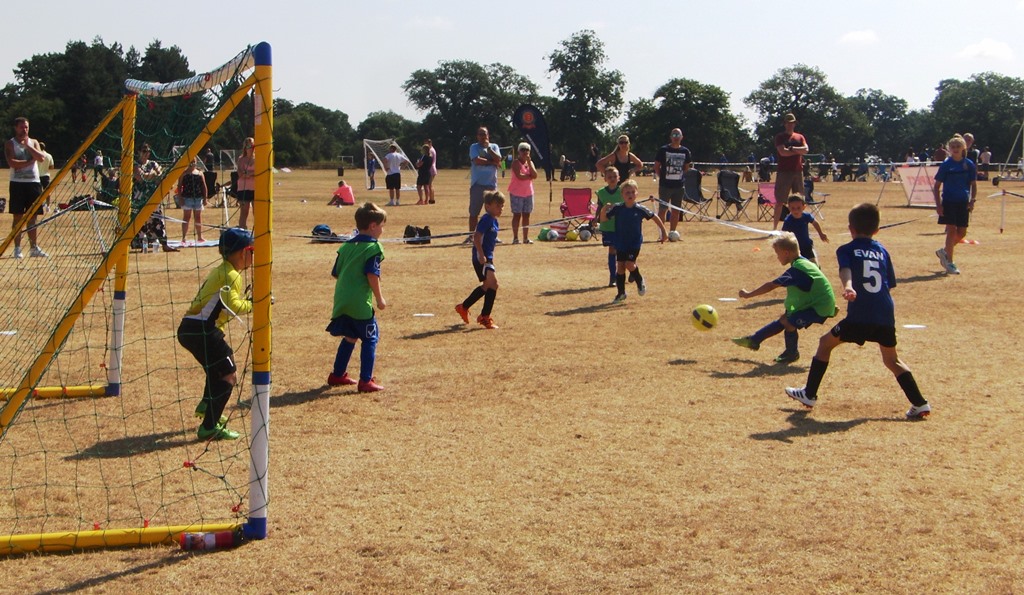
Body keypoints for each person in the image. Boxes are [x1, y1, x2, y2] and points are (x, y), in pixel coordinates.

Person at [785, 203, 931, 419]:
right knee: (892, 360)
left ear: (850, 228)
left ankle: (809, 393)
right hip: (885, 313)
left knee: (825, 344)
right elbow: (888, 284)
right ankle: (920, 404)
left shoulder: (846, 250)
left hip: (861, 314)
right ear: (877, 230)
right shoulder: (882, 251)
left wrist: (849, 286)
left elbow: (846, 270)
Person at [177, 227, 254, 440]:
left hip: (189, 328)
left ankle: (206, 407)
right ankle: (209, 427)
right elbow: (234, 306)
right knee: (229, 374)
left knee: (216, 369)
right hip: (203, 330)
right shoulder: (232, 275)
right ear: (242, 252)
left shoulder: (221, 270)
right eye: (253, 251)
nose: (253, 257)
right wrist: (253, 304)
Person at [731, 232, 837, 364]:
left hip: (819, 307)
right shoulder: (803, 262)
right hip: (819, 304)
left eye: (777, 253)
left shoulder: (798, 269)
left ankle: (780, 349)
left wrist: (748, 294)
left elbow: (771, 285)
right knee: (785, 319)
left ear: (786, 253)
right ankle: (756, 340)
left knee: (788, 322)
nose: (777, 257)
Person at [326, 202, 387, 393]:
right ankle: (365, 381)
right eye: (382, 226)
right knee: (370, 338)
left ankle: (337, 374)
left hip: (342, 300)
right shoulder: (373, 248)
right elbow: (372, 275)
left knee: (351, 336)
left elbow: (336, 272)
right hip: (360, 303)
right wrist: (379, 298)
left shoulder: (345, 246)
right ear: (373, 226)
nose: (382, 230)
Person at [599, 179, 667, 303]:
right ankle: (621, 293)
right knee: (620, 267)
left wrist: (664, 231)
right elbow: (603, 219)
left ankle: (639, 279)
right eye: (627, 193)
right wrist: (604, 209)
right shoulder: (618, 208)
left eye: (632, 192)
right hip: (620, 241)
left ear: (636, 193)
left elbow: (654, 217)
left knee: (629, 264)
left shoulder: (640, 209)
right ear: (622, 195)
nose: (630, 195)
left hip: (634, 242)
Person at [455, 190, 504, 329]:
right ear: (488, 206)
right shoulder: (486, 219)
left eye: (502, 206)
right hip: (481, 258)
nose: (501, 208)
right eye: (498, 205)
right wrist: (481, 255)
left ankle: (464, 307)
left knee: (488, 285)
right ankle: (484, 316)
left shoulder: (494, 221)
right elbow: (476, 237)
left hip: (488, 257)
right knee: (493, 284)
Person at [933, 134, 977, 275]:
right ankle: (950, 263)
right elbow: (936, 186)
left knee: (962, 233)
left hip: (963, 202)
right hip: (949, 201)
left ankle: (944, 251)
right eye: (953, 147)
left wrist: (972, 200)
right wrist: (939, 205)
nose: (956, 149)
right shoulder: (946, 165)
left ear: (963, 148)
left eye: (958, 146)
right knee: (951, 231)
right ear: (949, 149)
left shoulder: (969, 164)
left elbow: (973, 185)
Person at [5, 117, 48, 259]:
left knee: (32, 217)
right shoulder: (10, 144)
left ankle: (33, 247)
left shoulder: (34, 142)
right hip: (17, 183)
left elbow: (41, 158)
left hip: (33, 182)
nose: (24, 130)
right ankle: (17, 248)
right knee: (17, 216)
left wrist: (28, 147)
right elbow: (12, 163)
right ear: (15, 128)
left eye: (27, 127)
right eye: (22, 127)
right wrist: (29, 161)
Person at [133, 143, 179, 252]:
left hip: (154, 198)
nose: (147, 153)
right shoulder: (135, 165)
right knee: (140, 223)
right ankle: (140, 244)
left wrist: (153, 175)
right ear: (138, 152)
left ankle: (164, 244)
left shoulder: (153, 163)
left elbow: (161, 176)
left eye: (148, 151)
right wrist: (153, 175)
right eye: (144, 151)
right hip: (140, 199)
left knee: (158, 222)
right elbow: (141, 177)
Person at [652, 128, 692, 236]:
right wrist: (662, 177)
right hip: (665, 186)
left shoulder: (685, 151)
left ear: (682, 137)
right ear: (670, 137)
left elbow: (686, 167)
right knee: (663, 210)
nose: (676, 137)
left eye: (678, 135)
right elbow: (656, 166)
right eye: (674, 135)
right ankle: (662, 233)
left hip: (679, 186)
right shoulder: (663, 150)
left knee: (676, 211)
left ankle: (672, 232)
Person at [774, 113, 809, 230]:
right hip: (784, 172)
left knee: (800, 200)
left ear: (794, 124)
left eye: (792, 122)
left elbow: (806, 149)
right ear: (784, 124)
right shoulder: (780, 137)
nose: (790, 125)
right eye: (788, 122)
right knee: (780, 201)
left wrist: (793, 149)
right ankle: (775, 228)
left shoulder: (800, 137)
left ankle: (802, 226)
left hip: (798, 171)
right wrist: (799, 151)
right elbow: (782, 152)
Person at [468, 126, 501, 244]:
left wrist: (490, 150)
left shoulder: (494, 147)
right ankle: (472, 236)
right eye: (480, 134)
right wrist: (492, 162)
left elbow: (499, 159)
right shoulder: (474, 147)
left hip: (491, 185)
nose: (483, 137)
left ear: (488, 135)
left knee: (494, 212)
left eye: (485, 134)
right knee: (474, 212)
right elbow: (476, 160)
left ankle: (493, 235)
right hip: (477, 184)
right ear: (477, 136)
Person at [781, 195, 828, 265]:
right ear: (789, 208)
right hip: (795, 248)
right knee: (798, 266)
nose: (796, 210)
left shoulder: (806, 216)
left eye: (798, 208)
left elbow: (815, 223)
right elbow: (784, 233)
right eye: (793, 208)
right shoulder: (788, 220)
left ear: (804, 207)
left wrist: (821, 233)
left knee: (814, 265)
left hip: (807, 246)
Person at [596, 166, 623, 286]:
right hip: (608, 225)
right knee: (612, 249)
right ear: (605, 179)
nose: (612, 179)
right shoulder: (601, 192)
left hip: (621, 225)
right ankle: (613, 277)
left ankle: (628, 271)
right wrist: (596, 219)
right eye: (609, 177)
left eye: (614, 177)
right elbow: (599, 207)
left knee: (623, 250)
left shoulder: (623, 191)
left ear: (619, 178)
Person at [507, 142, 538, 245]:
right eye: (522, 149)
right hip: (517, 193)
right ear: (519, 152)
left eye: (527, 150)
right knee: (517, 215)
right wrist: (529, 176)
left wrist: (529, 163)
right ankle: (515, 238)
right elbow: (519, 176)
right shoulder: (516, 163)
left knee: (526, 215)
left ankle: (526, 238)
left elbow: (535, 175)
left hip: (528, 193)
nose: (525, 152)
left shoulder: (530, 163)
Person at [178, 157, 209, 244]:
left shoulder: (199, 173)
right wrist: (180, 198)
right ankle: (183, 237)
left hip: (198, 198)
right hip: (187, 198)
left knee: (198, 218)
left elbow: (204, 186)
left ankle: (199, 236)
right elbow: (179, 186)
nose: (192, 164)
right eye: (190, 162)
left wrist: (205, 198)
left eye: (194, 162)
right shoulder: (183, 173)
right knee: (186, 218)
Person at [236, 137, 256, 229]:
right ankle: (242, 231)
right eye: (248, 145)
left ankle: (257, 232)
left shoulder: (258, 159)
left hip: (255, 188)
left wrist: (248, 174)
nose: (250, 148)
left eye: (252, 145)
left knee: (257, 211)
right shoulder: (241, 159)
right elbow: (240, 173)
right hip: (243, 188)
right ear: (245, 147)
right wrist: (251, 174)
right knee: (244, 211)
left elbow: (258, 173)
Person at [425, 138, 437, 203]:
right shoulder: (433, 149)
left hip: (431, 169)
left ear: (430, 143)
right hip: (432, 168)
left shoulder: (431, 151)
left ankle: (432, 199)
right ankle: (431, 198)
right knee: (430, 184)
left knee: (429, 185)